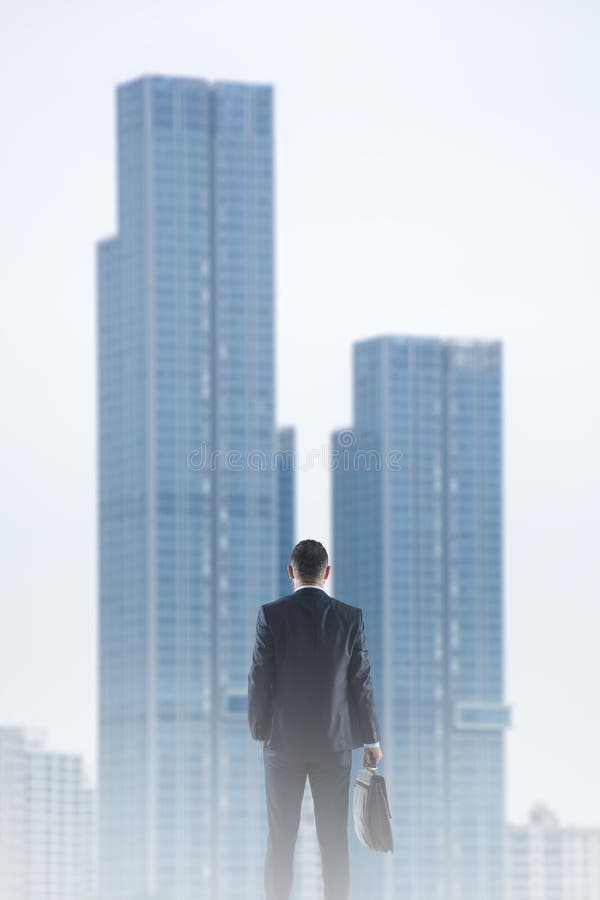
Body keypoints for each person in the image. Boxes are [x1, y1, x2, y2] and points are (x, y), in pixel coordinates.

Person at [248, 539, 383, 900]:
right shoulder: (349, 617)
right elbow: (361, 681)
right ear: (327, 573)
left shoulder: (270, 615)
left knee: (281, 838)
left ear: (291, 572)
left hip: (283, 743)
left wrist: (260, 729)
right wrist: (371, 740)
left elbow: (259, 675)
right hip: (334, 744)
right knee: (334, 841)